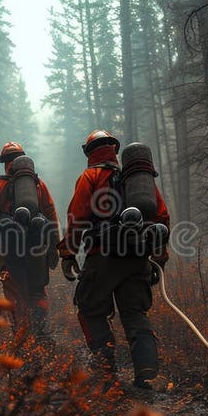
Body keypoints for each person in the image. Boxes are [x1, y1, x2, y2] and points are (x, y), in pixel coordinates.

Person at [58, 130, 170, 390]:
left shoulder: (90, 177)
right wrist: (158, 256)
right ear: (114, 150)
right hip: (137, 257)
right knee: (135, 314)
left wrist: (68, 252)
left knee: (91, 311)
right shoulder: (136, 179)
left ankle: (107, 376)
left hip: (102, 258)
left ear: (89, 152)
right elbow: (162, 217)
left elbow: (77, 218)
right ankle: (148, 376)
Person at [0, 142, 59, 336]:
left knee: (16, 297)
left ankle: (23, 342)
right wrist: (54, 249)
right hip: (37, 251)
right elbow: (51, 218)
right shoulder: (39, 186)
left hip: (9, 254)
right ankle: (40, 333)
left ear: (4, 162)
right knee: (37, 292)